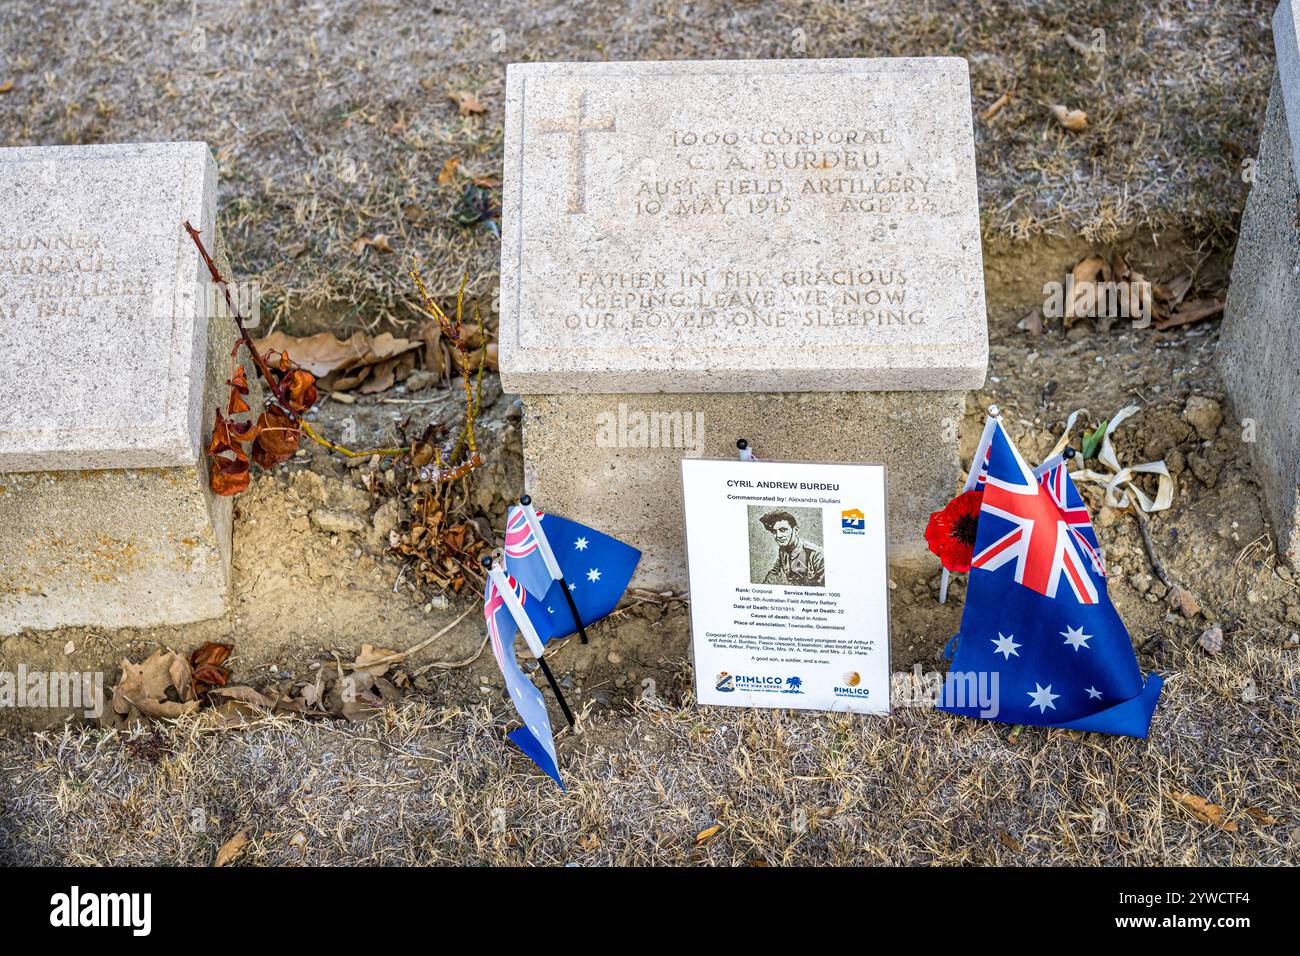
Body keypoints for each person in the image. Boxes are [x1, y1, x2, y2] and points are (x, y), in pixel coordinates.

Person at [759, 509, 825, 587]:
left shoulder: (816, 554)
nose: (778, 536)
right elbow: (774, 573)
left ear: (796, 530)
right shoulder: (783, 550)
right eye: (774, 532)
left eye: (783, 530)